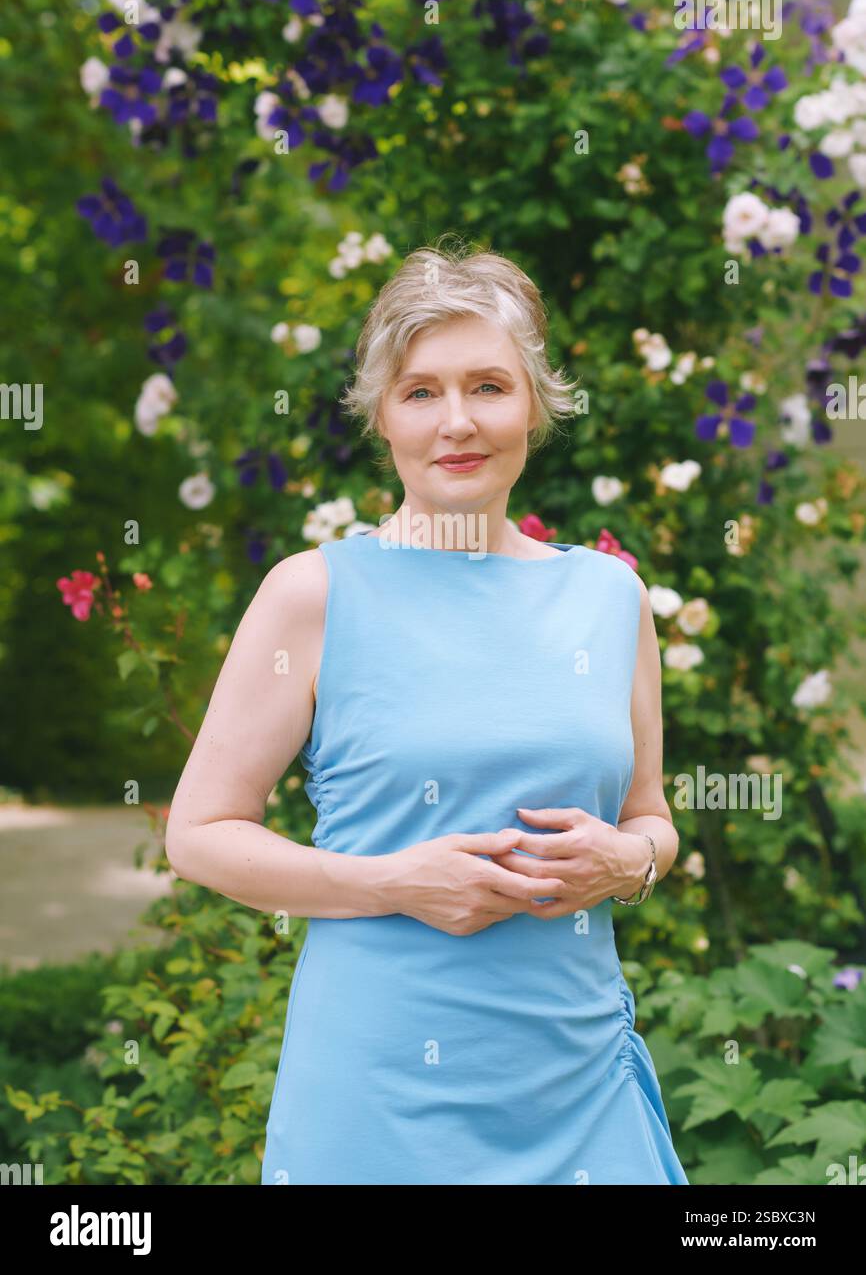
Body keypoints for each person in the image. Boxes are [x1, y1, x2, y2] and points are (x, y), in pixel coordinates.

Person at [165, 239, 689, 1185]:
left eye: (489, 386)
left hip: (579, 1090)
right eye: (420, 392)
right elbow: (198, 834)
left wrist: (628, 860)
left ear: (535, 400)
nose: (458, 422)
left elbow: (652, 818)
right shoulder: (313, 594)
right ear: (381, 414)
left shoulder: (610, 598)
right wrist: (395, 883)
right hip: (380, 1097)